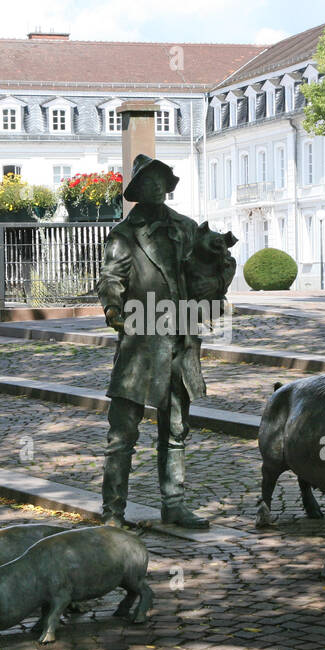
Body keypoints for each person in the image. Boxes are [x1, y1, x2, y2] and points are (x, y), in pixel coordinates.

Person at [96, 154, 234, 530]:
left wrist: (218, 265)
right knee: (122, 433)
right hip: (140, 341)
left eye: (161, 179)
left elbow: (204, 270)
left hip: (180, 340)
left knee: (175, 430)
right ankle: (113, 512)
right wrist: (113, 309)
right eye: (149, 180)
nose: (156, 186)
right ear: (139, 189)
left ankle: (173, 504)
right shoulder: (125, 234)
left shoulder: (185, 228)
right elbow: (111, 276)